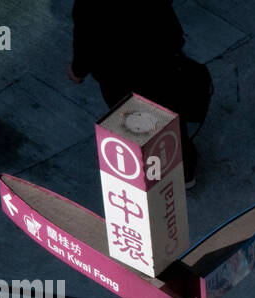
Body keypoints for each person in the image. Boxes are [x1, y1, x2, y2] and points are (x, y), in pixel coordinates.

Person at [68, 0, 199, 187]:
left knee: (138, 124)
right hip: (160, 58)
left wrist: (78, 70)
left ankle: (158, 170)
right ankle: (184, 169)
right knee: (170, 112)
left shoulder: (88, 5)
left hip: (119, 74)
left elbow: (85, 38)